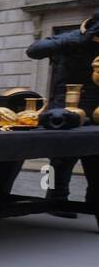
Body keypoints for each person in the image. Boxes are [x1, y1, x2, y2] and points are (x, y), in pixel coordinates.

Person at [26, 13, 99, 212]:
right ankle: (54, 199)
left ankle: (93, 203)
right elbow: (34, 50)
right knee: (58, 161)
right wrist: (71, 40)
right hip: (65, 108)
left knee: (96, 162)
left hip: (96, 112)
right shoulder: (72, 38)